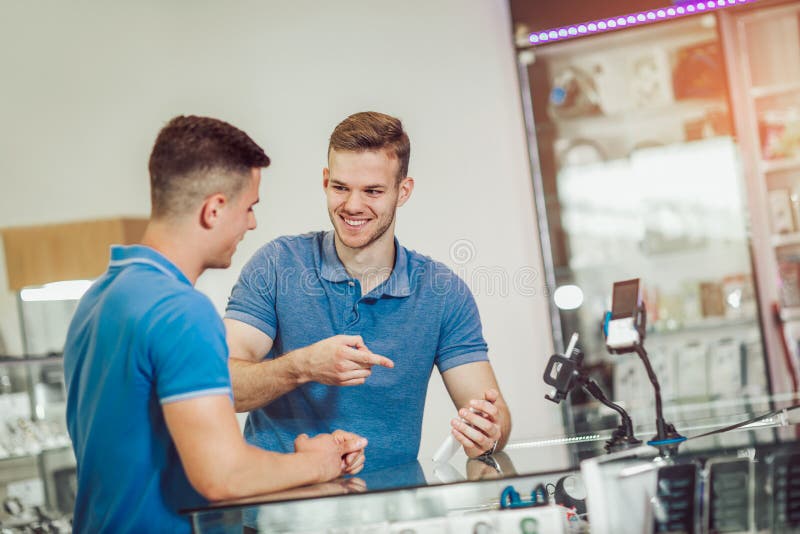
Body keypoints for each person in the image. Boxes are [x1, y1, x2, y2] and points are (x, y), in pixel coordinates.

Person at [63, 115, 367, 534]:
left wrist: (293, 464)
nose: (252, 223)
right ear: (214, 210)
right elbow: (224, 476)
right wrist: (319, 462)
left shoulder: (98, 298)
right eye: (249, 208)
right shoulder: (182, 311)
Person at [224, 111, 511, 470]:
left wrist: (489, 432)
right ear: (325, 181)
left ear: (403, 191)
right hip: (277, 501)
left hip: (391, 501)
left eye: (372, 191)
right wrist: (303, 366)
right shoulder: (277, 264)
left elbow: (492, 415)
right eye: (340, 188)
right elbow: (221, 387)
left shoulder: (443, 293)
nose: (353, 206)